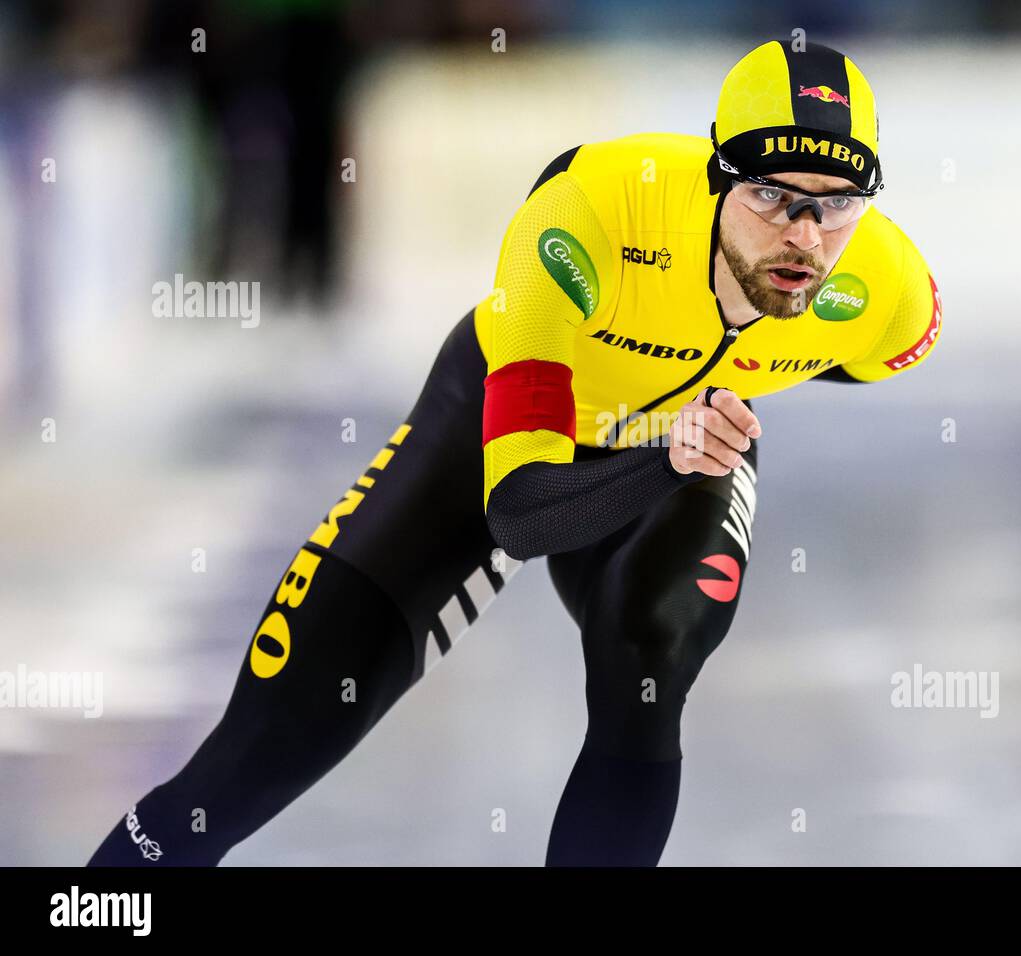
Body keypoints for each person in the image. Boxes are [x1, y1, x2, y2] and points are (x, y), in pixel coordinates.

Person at [87, 38, 942, 867]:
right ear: (716, 176)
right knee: (248, 765)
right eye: (769, 195)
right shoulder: (591, 211)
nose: (802, 236)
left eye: (835, 203)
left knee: (649, 662)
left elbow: (853, 358)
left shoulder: (886, 290)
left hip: (686, 438)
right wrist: (675, 455)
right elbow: (524, 513)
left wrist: (708, 410)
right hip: (509, 436)